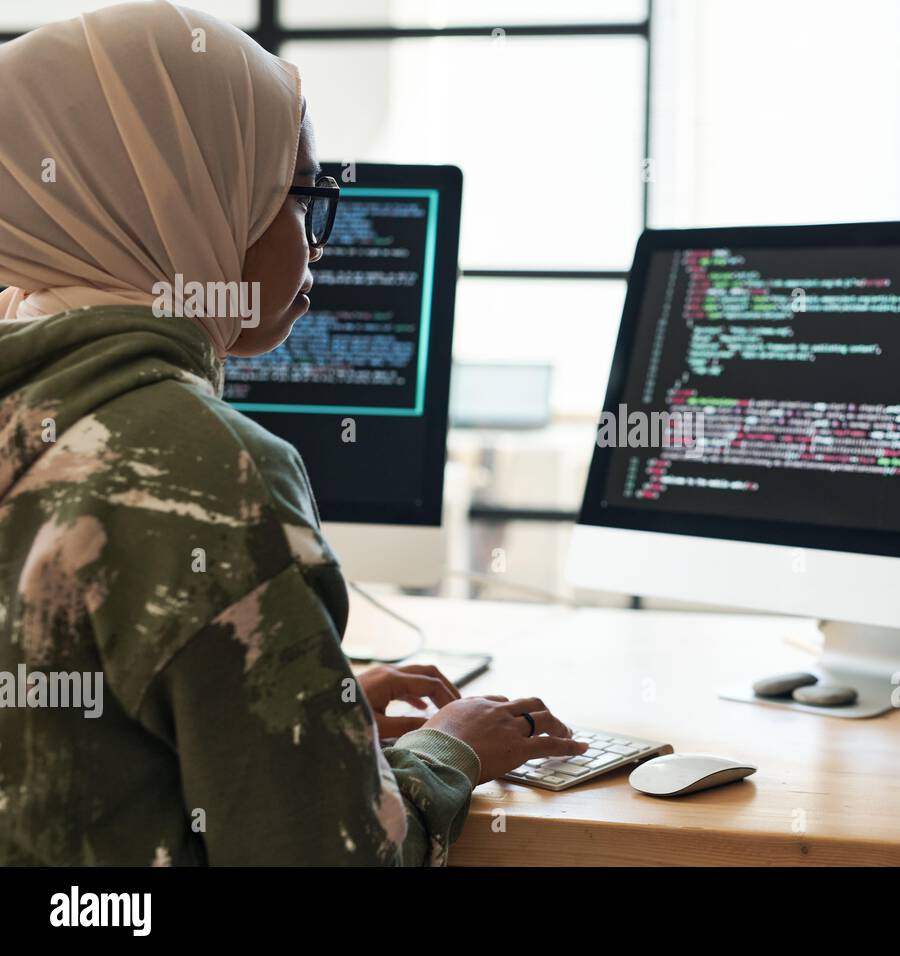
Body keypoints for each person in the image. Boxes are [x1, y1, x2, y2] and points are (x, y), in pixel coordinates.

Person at [0, 1, 586, 866]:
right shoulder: (210, 469)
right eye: (303, 196)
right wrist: (448, 750)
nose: (318, 248)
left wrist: (310, 710)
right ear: (193, 199)